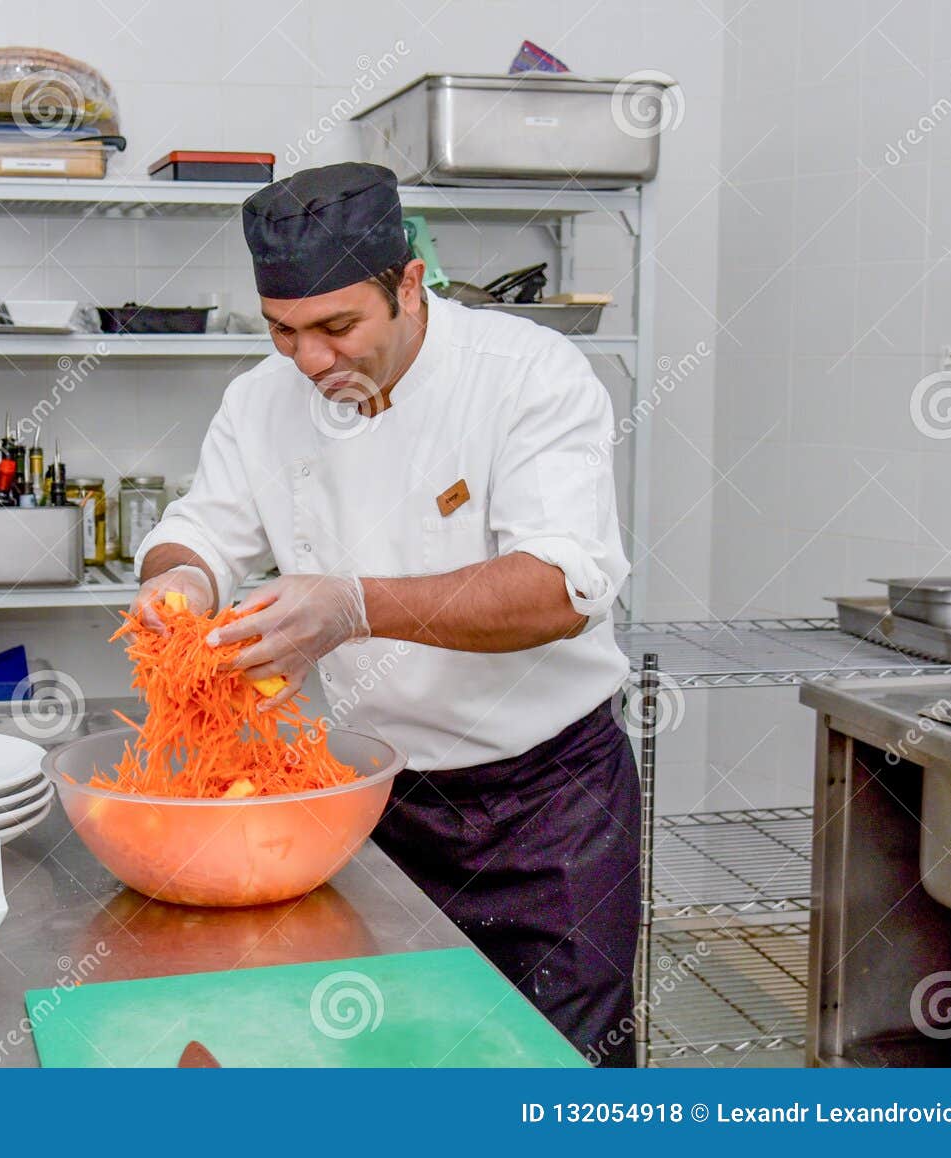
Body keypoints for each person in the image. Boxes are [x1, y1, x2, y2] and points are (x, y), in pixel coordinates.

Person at [129, 161, 640, 1065]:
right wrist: (182, 586)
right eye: (283, 331)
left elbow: (560, 588)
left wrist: (353, 607)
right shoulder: (260, 400)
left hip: (546, 810)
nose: (312, 360)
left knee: (559, 1076)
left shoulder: (527, 375)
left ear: (408, 283)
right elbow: (200, 530)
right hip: (378, 807)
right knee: (404, 1064)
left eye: (337, 327)